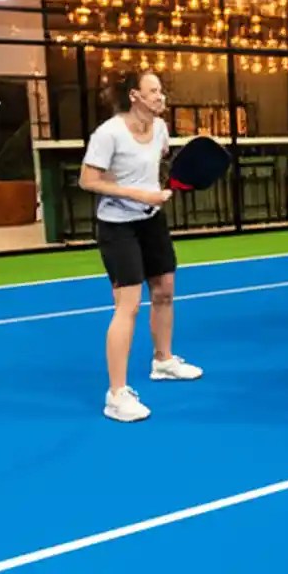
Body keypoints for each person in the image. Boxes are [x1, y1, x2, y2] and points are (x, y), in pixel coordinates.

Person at [79, 70, 203, 423]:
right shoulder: (108, 133)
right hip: (117, 226)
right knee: (128, 305)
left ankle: (162, 361)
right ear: (134, 95)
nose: (160, 97)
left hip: (152, 221)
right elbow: (87, 180)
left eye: (161, 91)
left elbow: (160, 159)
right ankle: (116, 395)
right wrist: (137, 193)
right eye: (153, 91)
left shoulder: (160, 128)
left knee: (164, 290)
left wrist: (157, 188)